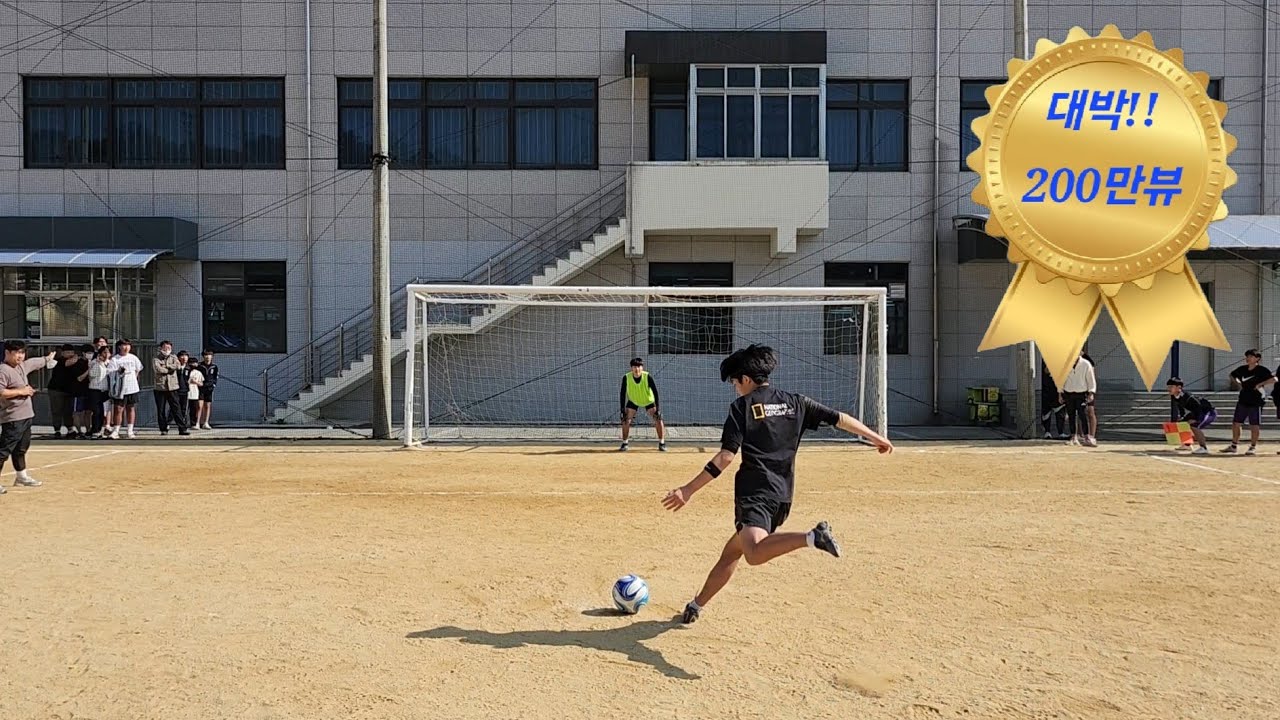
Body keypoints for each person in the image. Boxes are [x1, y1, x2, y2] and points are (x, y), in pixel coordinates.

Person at [661, 344, 894, 624]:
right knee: (733, 551)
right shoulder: (796, 402)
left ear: (745, 379)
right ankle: (696, 605)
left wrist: (687, 490)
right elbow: (840, 419)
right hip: (782, 495)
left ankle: (812, 537)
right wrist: (876, 437)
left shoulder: (741, 407)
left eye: (735, 382)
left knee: (755, 553)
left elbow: (725, 457)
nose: (735, 388)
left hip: (754, 493)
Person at [0, 341, 58, 494]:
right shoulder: (3, 370)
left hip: (26, 416)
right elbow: (2, 392)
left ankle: (21, 477)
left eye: (22, 352)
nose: (20, 356)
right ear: (7, 353)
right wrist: (23, 391)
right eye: (16, 352)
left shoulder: (20, 367)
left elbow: (33, 363)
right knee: (3, 451)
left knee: (21, 449)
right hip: (12, 417)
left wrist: (47, 359)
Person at [1222, 349, 1275, 455]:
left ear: (1257, 358)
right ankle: (1234, 445)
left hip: (1256, 400)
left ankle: (1252, 446)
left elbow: (1274, 379)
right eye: (1247, 356)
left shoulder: (1262, 370)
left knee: (1254, 424)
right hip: (1243, 399)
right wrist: (1237, 382)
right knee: (1236, 423)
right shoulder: (1242, 369)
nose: (1248, 358)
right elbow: (1232, 375)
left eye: (1251, 356)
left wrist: (1260, 384)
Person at [619, 357, 666, 451]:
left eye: (639, 367)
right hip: (633, 400)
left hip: (648, 400)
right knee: (625, 419)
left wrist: (658, 409)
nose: (637, 369)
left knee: (658, 418)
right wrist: (622, 409)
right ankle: (625, 443)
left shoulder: (647, 376)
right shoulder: (626, 377)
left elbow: (656, 392)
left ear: (642, 368)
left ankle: (662, 442)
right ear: (631, 368)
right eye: (634, 367)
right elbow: (622, 393)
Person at [1167, 377, 1216, 455]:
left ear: (1179, 388)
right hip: (1197, 411)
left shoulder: (1187, 396)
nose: (1168, 389)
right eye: (1168, 387)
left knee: (1195, 426)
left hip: (1207, 412)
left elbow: (1199, 407)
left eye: (1171, 387)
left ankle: (1203, 448)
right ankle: (1187, 444)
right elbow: (1180, 407)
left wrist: (1196, 419)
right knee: (1182, 423)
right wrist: (1182, 417)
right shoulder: (1174, 396)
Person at [1057, 351, 1097, 447]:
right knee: (1071, 415)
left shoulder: (1086, 364)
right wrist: (1060, 393)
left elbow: (1091, 379)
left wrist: (1091, 392)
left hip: (1081, 393)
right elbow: (1061, 379)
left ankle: (1087, 436)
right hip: (1068, 393)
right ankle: (1073, 437)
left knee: (1082, 414)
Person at [108, 339, 144, 439]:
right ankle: (116, 431)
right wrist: (119, 372)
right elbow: (111, 373)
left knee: (131, 408)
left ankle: (130, 430)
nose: (126, 347)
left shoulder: (133, 358)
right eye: (124, 345)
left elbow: (138, 370)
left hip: (132, 388)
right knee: (118, 409)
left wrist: (133, 380)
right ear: (119, 347)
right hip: (120, 389)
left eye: (128, 345)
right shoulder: (115, 359)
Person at [152, 341, 189, 436]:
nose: (167, 349)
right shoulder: (156, 358)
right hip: (160, 388)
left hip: (173, 387)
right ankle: (163, 429)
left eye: (169, 348)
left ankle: (182, 428)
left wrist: (166, 366)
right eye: (165, 347)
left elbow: (177, 366)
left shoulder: (174, 357)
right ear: (161, 348)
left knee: (176, 408)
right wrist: (169, 369)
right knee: (161, 409)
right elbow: (158, 369)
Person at [87, 345, 112, 438]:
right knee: (96, 411)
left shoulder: (109, 363)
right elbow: (92, 374)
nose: (106, 354)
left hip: (105, 390)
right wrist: (99, 363)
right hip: (95, 389)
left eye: (108, 352)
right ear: (100, 353)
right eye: (104, 352)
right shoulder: (94, 362)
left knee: (103, 412)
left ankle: (100, 429)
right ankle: (95, 430)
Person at [1040, 359, 1066, 440]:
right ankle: (1047, 432)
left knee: (1060, 413)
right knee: (1046, 413)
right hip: (1046, 392)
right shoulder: (1045, 361)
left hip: (1057, 392)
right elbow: (1046, 370)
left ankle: (1061, 432)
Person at [195, 350, 218, 429]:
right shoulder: (199, 366)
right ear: (203, 356)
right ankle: (197, 423)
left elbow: (215, 377)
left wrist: (213, 384)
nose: (207, 357)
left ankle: (206, 422)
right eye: (206, 355)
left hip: (209, 388)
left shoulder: (214, 367)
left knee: (207, 406)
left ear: (212, 357)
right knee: (199, 405)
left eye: (209, 355)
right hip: (200, 388)